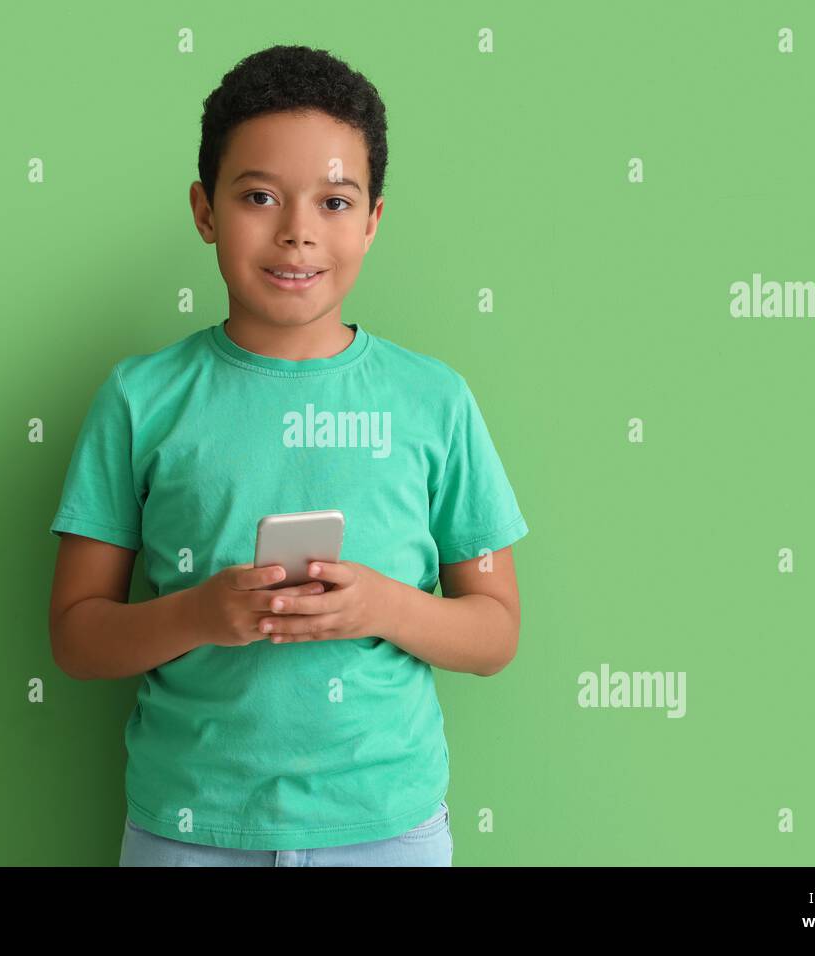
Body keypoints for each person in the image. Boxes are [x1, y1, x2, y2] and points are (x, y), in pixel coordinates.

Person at [47, 44, 528, 866]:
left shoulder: (434, 402)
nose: (298, 232)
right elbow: (77, 635)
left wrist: (381, 606)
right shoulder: (141, 399)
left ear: (373, 219)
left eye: (336, 202)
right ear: (204, 210)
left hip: (387, 828)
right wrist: (201, 615)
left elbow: (495, 631)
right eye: (259, 196)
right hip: (188, 826)